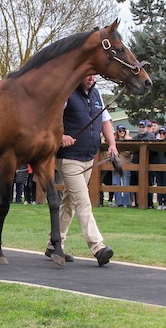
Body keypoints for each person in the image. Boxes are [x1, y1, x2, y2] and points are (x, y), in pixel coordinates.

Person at [46, 73, 116, 267]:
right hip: (69, 157)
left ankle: (54, 243)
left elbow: (105, 122)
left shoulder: (97, 95)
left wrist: (112, 145)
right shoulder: (66, 93)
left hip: (88, 158)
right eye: (87, 75)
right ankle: (98, 247)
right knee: (83, 201)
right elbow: (51, 119)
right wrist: (61, 135)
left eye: (93, 75)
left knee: (70, 202)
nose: (91, 78)